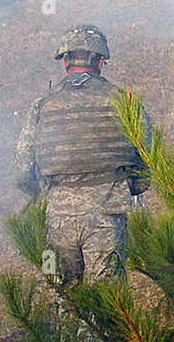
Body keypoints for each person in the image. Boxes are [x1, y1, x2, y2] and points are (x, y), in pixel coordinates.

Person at [13, 24, 149, 283]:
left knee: (67, 300)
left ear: (65, 61)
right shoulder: (125, 102)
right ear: (100, 61)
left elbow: (22, 171)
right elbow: (146, 163)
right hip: (107, 216)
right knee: (106, 304)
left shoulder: (43, 105)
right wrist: (128, 187)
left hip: (58, 219)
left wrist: (42, 197)